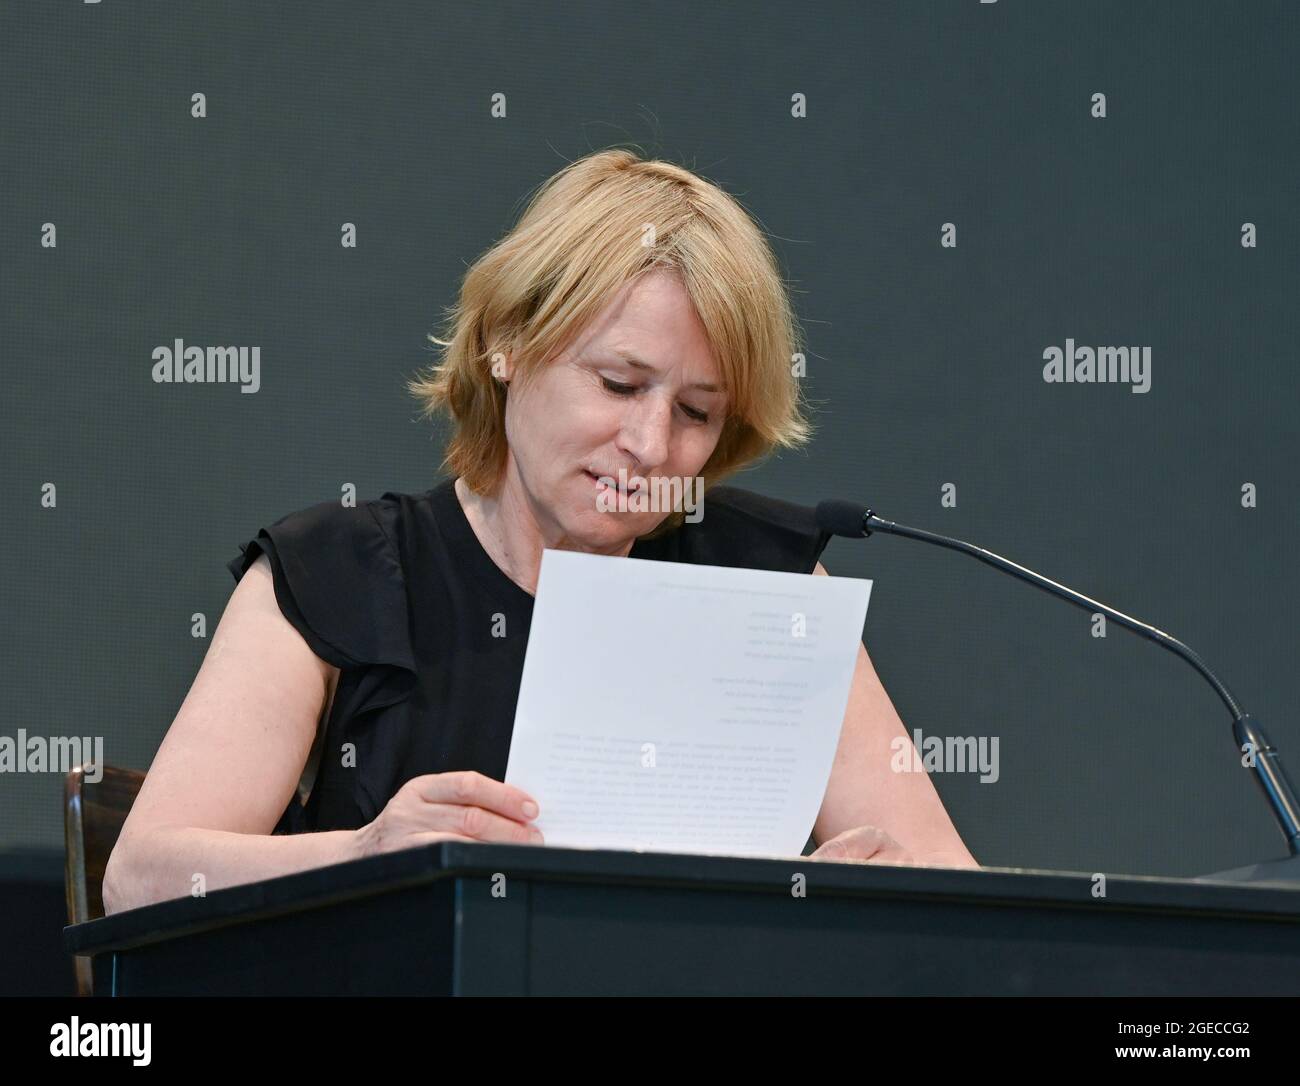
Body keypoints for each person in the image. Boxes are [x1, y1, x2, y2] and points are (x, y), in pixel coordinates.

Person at [103, 149, 977, 915]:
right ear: (508, 342)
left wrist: (840, 901)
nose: (652, 446)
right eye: (619, 384)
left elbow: (948, 880)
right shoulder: (340, 572)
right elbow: (141, 876)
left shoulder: (768, 586)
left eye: (697, 411)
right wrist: (367, 855)